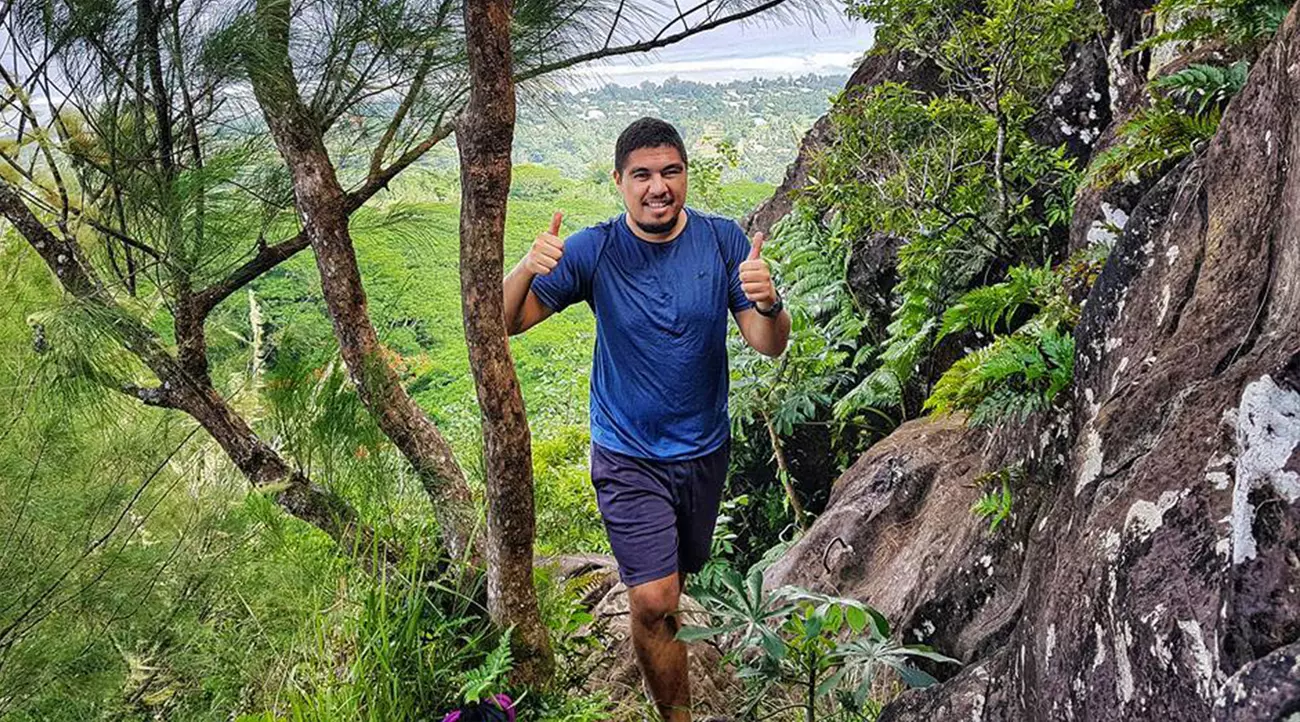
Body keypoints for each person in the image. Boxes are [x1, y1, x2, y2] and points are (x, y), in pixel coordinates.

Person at [503, 117, 790, 721]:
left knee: (678, 578)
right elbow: (507, 319)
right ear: (618, 181)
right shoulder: (595, 247)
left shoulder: (722, 243)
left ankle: (663, 649)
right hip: (627, 453)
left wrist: (769, 301)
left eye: (670, 172)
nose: (657, 187)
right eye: (642, 175)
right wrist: (528, 266)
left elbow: (768, 343)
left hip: (704, 451)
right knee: (656, 601)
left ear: (685, 174)